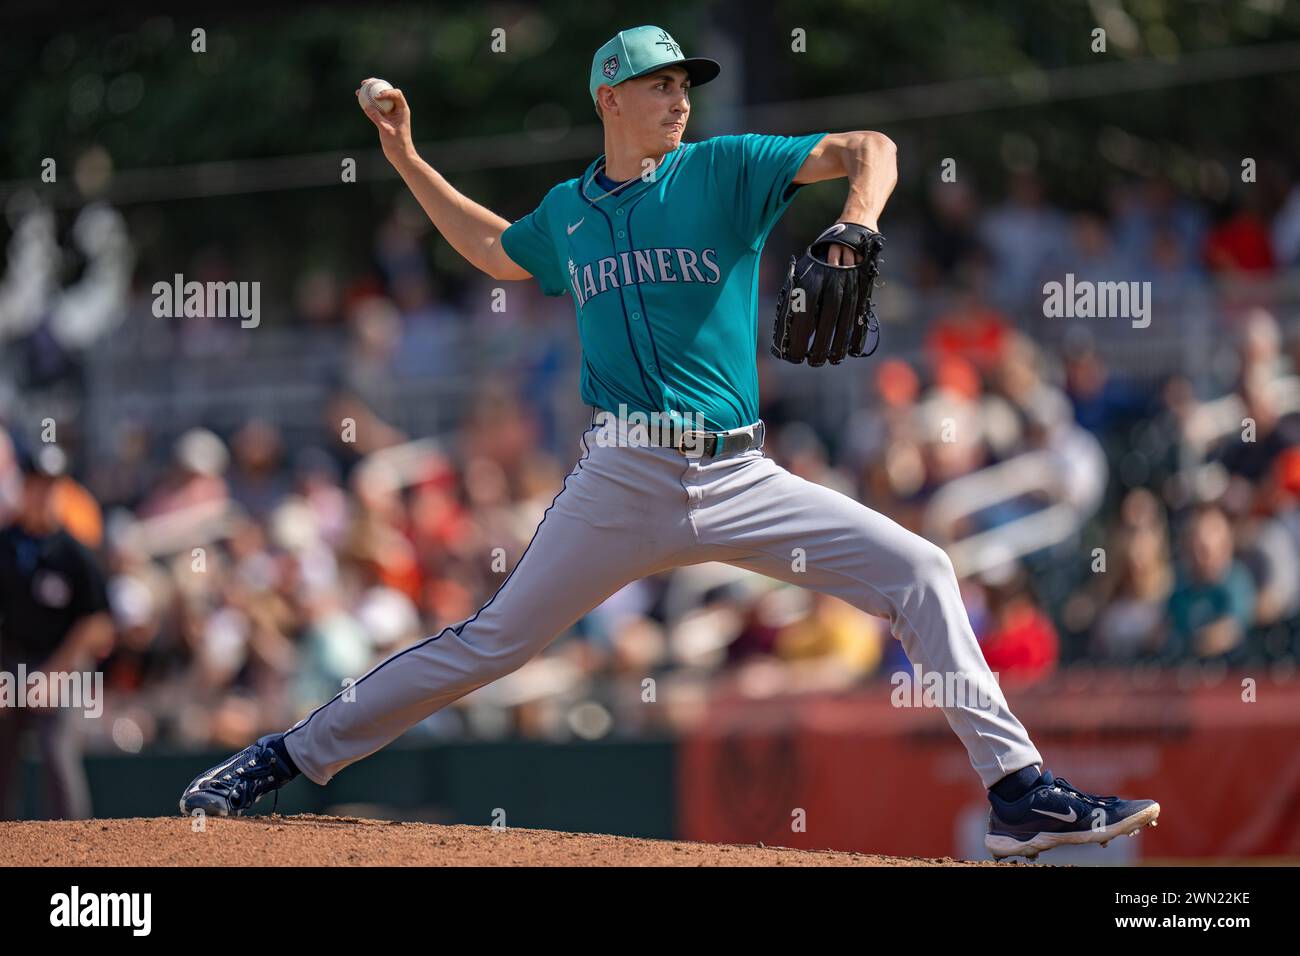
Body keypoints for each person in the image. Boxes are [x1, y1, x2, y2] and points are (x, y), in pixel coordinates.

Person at [180, 25, 1159, 860]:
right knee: (492, 640)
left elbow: (871, 144)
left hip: (740, 471)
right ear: (609, 94)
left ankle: (1018, 789)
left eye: (685, 84)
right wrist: (403, 157)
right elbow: (489, 248)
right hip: (624, 473)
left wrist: (856, 223)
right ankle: (290, 753)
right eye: (660, 83)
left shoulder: (724, 168)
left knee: (921, 567)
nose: (679, 99)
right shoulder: (569, 213)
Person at [0, 441, 114, 819]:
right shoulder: (6, 545)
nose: (46, 493)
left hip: (63, 666)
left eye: (53, 485)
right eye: (38, 484)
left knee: (56, 748)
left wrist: (52, 675)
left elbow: (98, 624)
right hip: (11, 663)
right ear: (25, 487)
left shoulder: (75, 553)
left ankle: (72, 847)